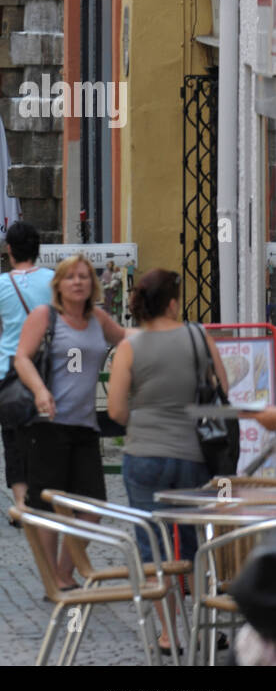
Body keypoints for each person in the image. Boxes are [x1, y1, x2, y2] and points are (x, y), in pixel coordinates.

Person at [105, 268, 227, 653]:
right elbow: (222, 390)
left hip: (143, 455)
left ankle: (167, 632)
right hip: (192, 454)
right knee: (197, 544)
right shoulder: (198, 336)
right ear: (173, 302)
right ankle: (206, 628)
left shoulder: (130, 347)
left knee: (152, 544)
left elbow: (115, 410)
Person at [13, 254, 126, 585]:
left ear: (93, 284)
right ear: (58, 285)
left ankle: (65, 571)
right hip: (48, 424)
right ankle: (53, 577)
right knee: (48, 506)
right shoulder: (45, 316)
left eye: (84, 277)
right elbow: (22, 357)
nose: (77, 282)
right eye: (70, 277)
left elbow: (124, 338)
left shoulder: (98, 319)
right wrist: (39, 391)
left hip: (85, 426)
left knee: (92, 506)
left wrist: (169, 334)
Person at [0, 221, 55, 520]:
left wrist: (7, 352)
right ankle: (45, 497)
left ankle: (21, 502)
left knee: (13, 438)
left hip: (10, 369)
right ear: (38, 249)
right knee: (46, 434)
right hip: (46, 367)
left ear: (9, 249)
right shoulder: (53, 280)